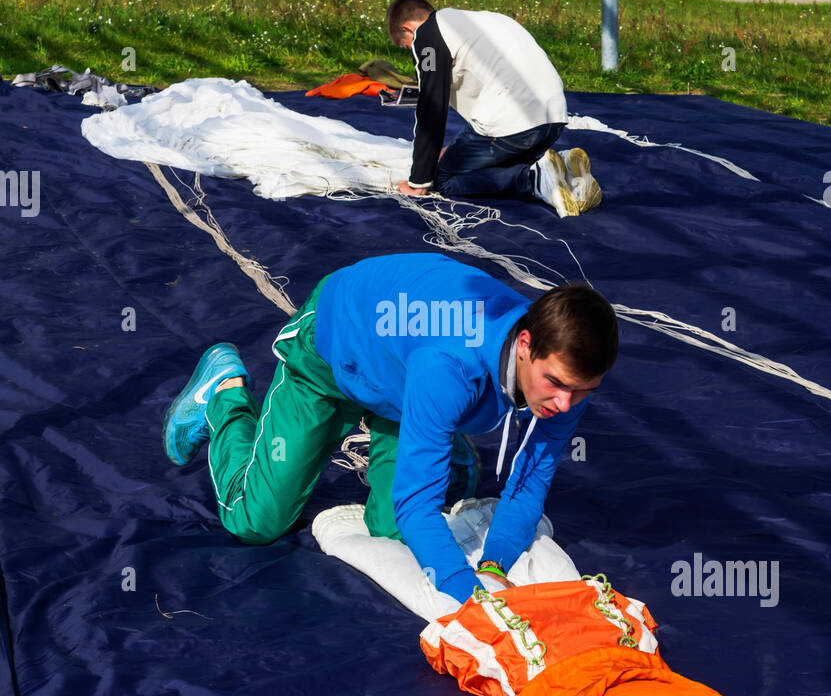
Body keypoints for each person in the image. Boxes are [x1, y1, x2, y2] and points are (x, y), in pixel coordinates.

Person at [162, 252, 618, 602]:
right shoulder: (450, 366)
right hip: (335, 351)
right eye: (556, 385)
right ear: (524, 345)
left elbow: (530, 481)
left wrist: (496, 566)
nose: (566, 403)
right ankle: (224, 393)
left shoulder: (567, 375)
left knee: (389, 530)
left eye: (582, 390)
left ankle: (433, 434)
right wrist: (470, 596)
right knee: (256, 521)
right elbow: (416, 504)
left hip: (404, 375)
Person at [385, 0, 602, 217]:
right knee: (480, 163)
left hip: (512, 123)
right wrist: (456, 150)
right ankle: (569, 175)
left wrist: (419, 180)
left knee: (444, 178)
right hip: (553, 119)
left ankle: (534, 179)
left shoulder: (427, 34)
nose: (412, 52)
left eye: (406, 46)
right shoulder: (482, 21)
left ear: (409, 28)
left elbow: (431, 108)